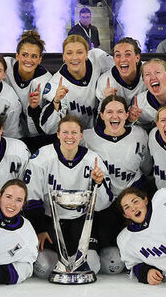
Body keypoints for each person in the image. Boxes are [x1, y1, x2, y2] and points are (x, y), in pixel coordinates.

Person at [25, 116, 111, 278]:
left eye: (74, 132)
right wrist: (40, 229)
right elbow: (32, 197)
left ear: (80, 136)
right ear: (58, 134)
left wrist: (98, 183)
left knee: (91, 265)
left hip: (81, 220)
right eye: (65, 132)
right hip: (50, 221)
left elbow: (103, 204)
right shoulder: (43, 157)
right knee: (46, 267)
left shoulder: (93, 160)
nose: (69, 136)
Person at [40, 35, 112, 130]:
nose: (75, 57)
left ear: (86, 54)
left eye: (79, 52)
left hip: (102, 131)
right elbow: (47, 129)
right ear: (63, 57)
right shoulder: (55, 84)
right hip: (73, 137)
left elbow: (120, 67)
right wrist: (56, 102)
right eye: (69, 53)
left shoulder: (97, 57)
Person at [3, 31, 53, 143]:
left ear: (40, 59)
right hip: (4, 134)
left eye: (34, 56)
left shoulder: (46, 81)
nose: (29, 60)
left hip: (34, 138)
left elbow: (45, 126)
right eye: (24, 55)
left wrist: (34, 109)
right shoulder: (5, 65)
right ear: (17, 55)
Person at [96, 37, 145, 105]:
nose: (122, 59)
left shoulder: (150, 73)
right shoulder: (105, 82)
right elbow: (100, 114)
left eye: (127, 54)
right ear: (114, 59)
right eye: (118, 55)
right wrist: (108, 102)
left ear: (137, 57)